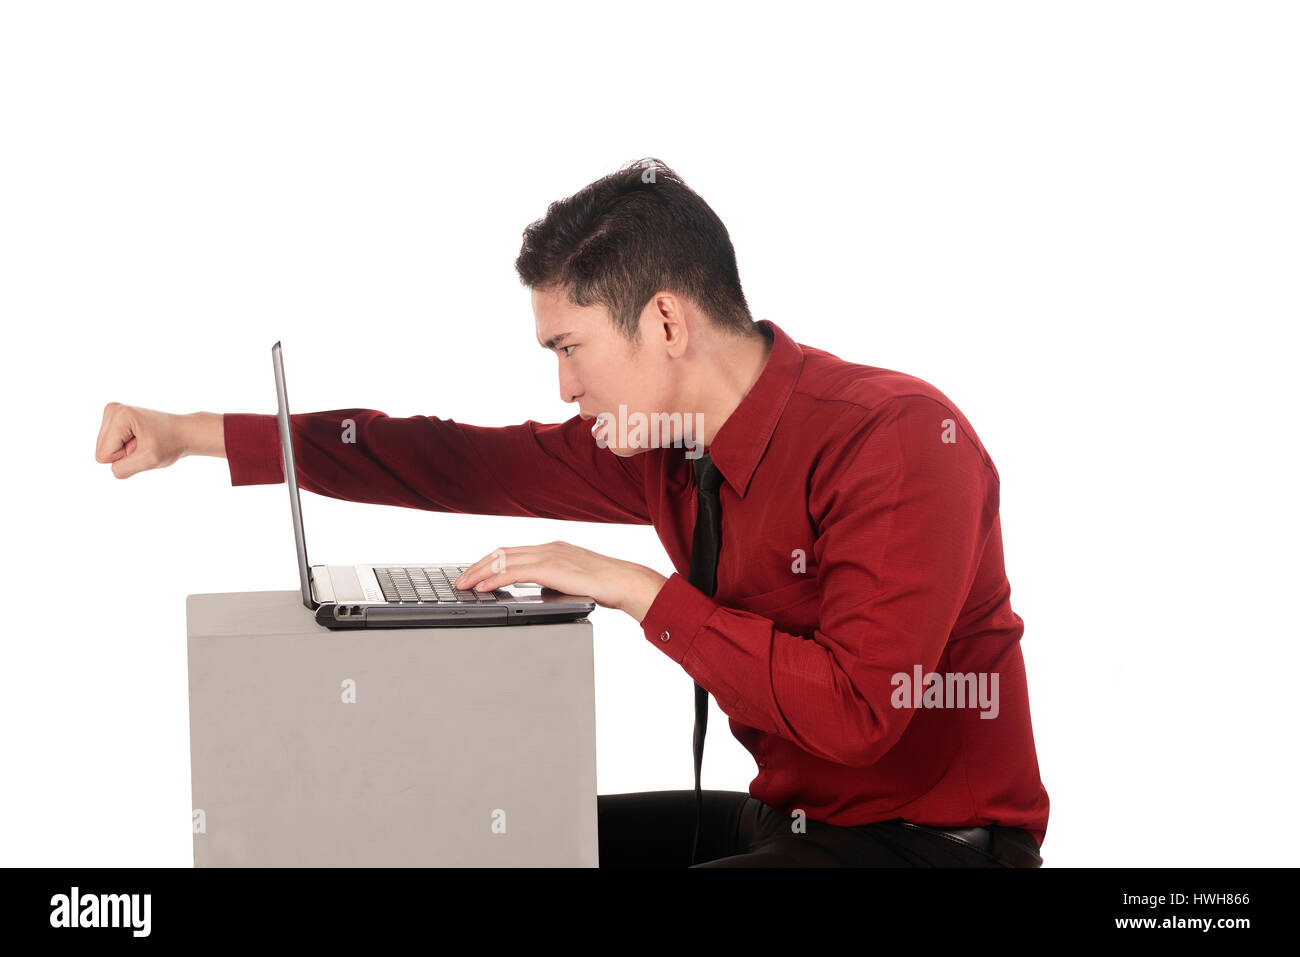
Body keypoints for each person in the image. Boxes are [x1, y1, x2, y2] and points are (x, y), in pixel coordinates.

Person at [95, 158, 1049, 867]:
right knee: (490, 844)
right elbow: (451, 457)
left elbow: (859, 713)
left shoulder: (895, 442)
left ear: (666, 322)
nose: (562, 388)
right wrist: (191, 433)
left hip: (933, 848)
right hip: (790, 822)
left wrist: (639, 589)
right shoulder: (663, 446)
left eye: (570, 347)